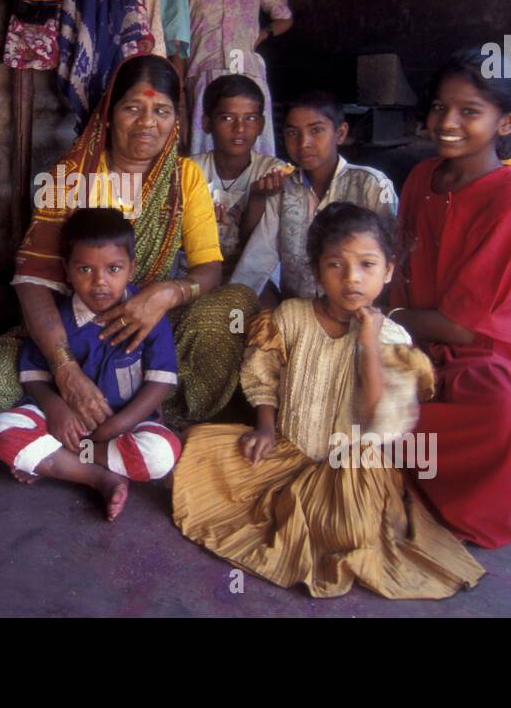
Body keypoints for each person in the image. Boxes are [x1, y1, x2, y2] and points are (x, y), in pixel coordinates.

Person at [0, 54, 260, 450]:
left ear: (175, 119)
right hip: (75, 330)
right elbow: (32, 282)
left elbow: (208, 268)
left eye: (161, 110)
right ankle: (106, 426)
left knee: (235, 303)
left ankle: (142, 415)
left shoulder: (185, 178)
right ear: (109, 113)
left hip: (149, 330)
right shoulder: (70, 177)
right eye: (133, 108)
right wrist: (65, 372)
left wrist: (165, 295)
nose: (147, 122)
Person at [173, 203, 484, 598]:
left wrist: (367, 344)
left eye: (368, 265)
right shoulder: (290, 316)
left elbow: (378, 420)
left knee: (349, 531)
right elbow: (263, 374)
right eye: (335, 264)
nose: (351, 278)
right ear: (317, 269)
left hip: (348, 470)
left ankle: (319, 522)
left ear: (388, 271)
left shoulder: (392, 340)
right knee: (197, 454)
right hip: (288, 450)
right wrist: (265, 427)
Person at [388, 47, 511, 549]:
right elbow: (397, 260)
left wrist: (390, 316)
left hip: (470, 363)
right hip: (402, 340)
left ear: (507, 121)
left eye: (470, 112)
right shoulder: (422, 177)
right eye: (440, 107)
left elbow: (465, 328)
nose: (447, 122)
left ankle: (450, 490)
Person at [0, 208, 182, 521]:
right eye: (85, 270)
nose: (100, 282)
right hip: (64, 427)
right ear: (67, 270)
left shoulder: (149, 317)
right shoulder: (55, 320)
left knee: (162, 453)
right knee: (1, 431)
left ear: (131, 269)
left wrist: (117, 425)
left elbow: (161, 382)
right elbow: (34, 377)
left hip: (125, 425)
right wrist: (56, 409)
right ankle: (99, 477)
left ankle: (58, 462)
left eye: (114, 269)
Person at [233, 91, 397, 308]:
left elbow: (389, 257)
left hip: (357, 314)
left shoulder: (371, 184)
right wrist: (247, 303)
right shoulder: (283, 188)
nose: (304, 143)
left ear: (340, 133)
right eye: (293, 132)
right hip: (297, 312)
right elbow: (258, 260)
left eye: (316, 130)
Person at [185, 0, 292, 156]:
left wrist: (264, 33)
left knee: (252, 155)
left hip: (247, 76)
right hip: (205, 76)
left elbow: (284, 16)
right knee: (205, 154)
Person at [187, 74, 284, 277]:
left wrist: (258, 198)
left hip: (251, 278)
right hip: (193, 275)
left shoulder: (272, 172)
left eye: (250, 118)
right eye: (227, 118)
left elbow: (259, 248)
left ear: (261, 125)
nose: (239, 128)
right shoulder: (189, 171)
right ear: (206, 123)